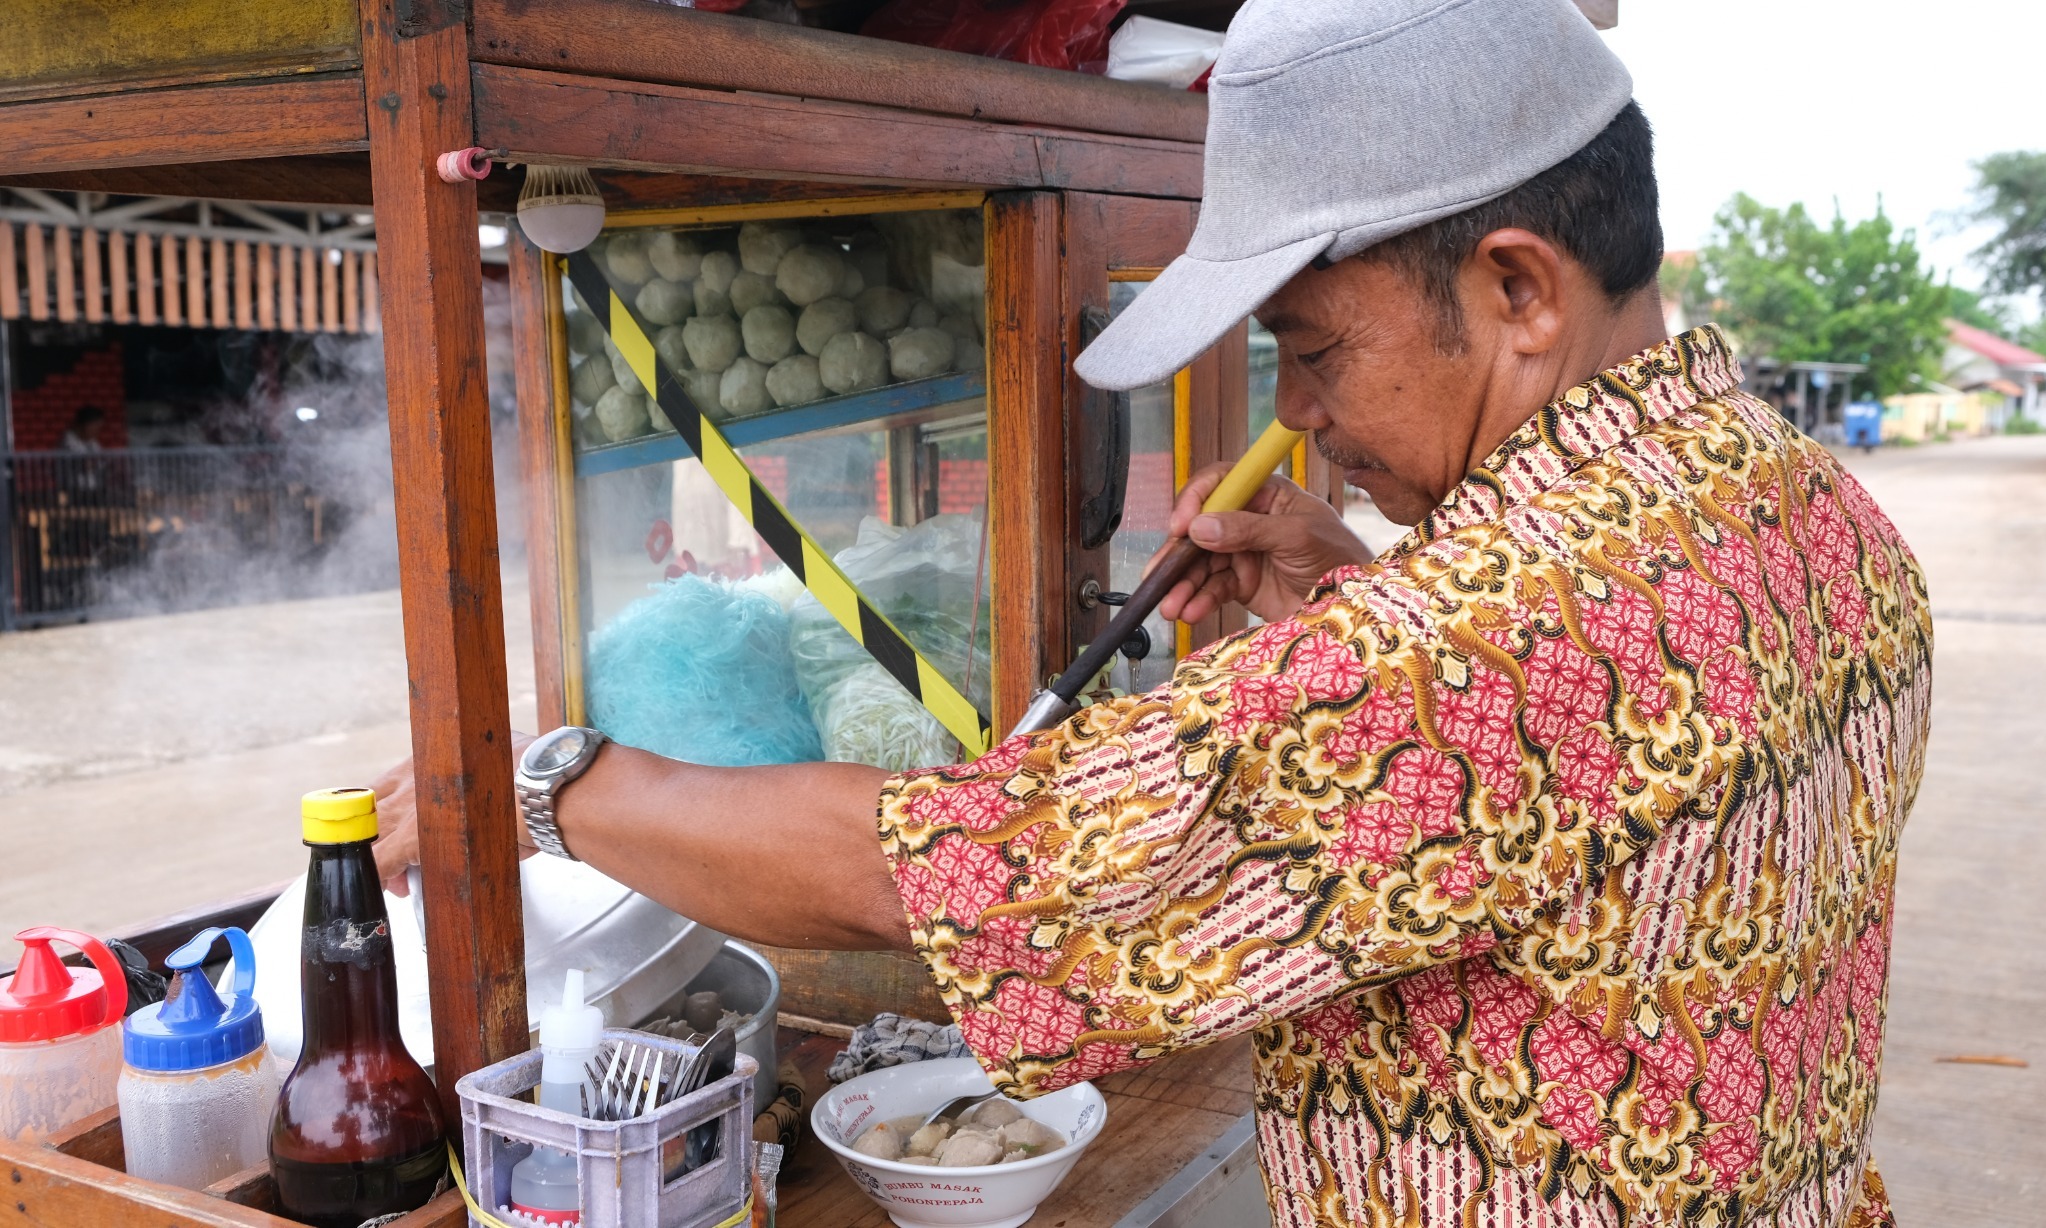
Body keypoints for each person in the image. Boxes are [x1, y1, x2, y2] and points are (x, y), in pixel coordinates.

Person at [374, 2, 1925, 1223]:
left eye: (1311, 349)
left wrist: (546, 788)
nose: (1297, 415)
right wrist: (1360, 597)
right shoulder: (1804, 507)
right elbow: (1587, 800)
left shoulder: (1467, 648)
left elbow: (945, 873)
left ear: (1518, 289)